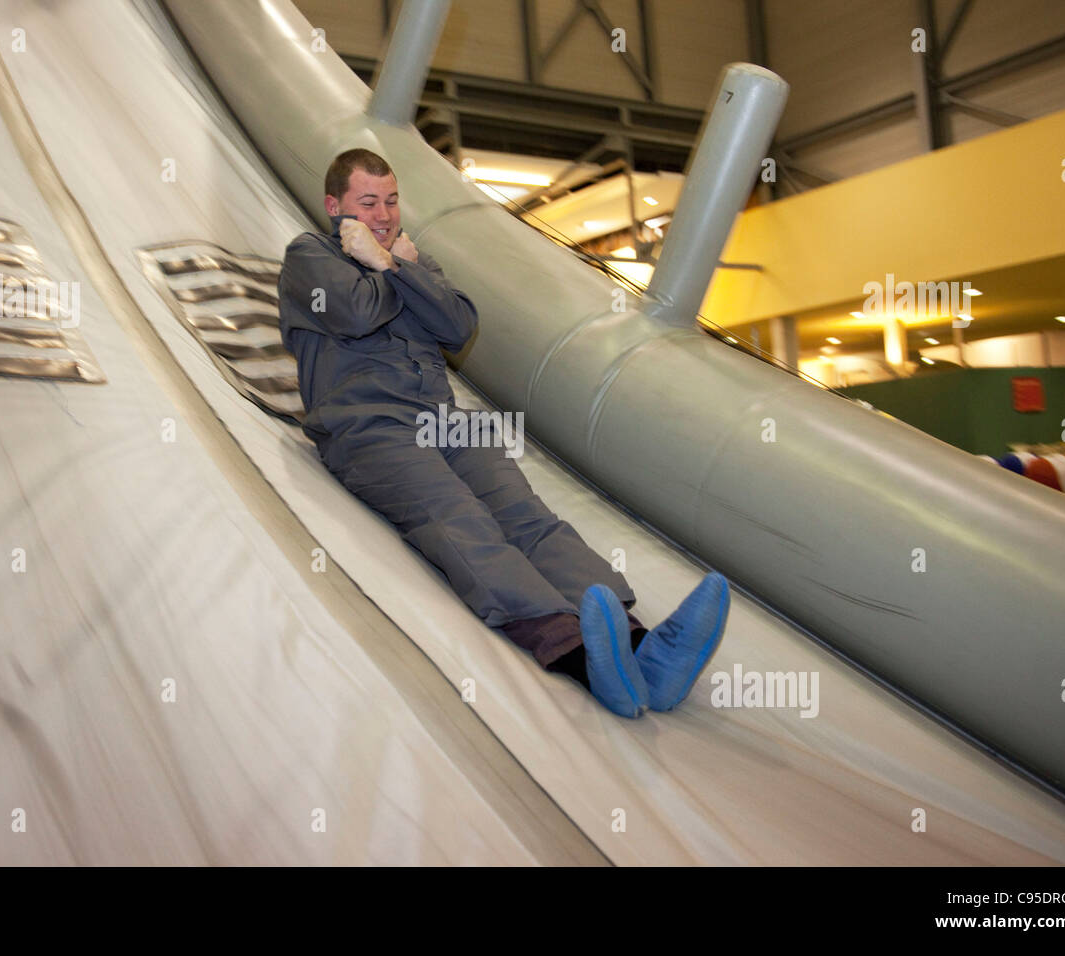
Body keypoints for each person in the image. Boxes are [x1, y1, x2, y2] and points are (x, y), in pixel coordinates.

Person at [278, 148, 730, 718]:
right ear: (334, 206)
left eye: (391, 201)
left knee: (528, 518)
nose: (385, 215)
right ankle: (578, 653)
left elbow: (458, 323)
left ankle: (643, 647)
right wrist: (391, 269)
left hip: (445, 422)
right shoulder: (309, 255)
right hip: (368, 428)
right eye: (368, 203)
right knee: (459, 520)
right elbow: (354, 312)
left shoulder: (411, 261)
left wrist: (397, 266)